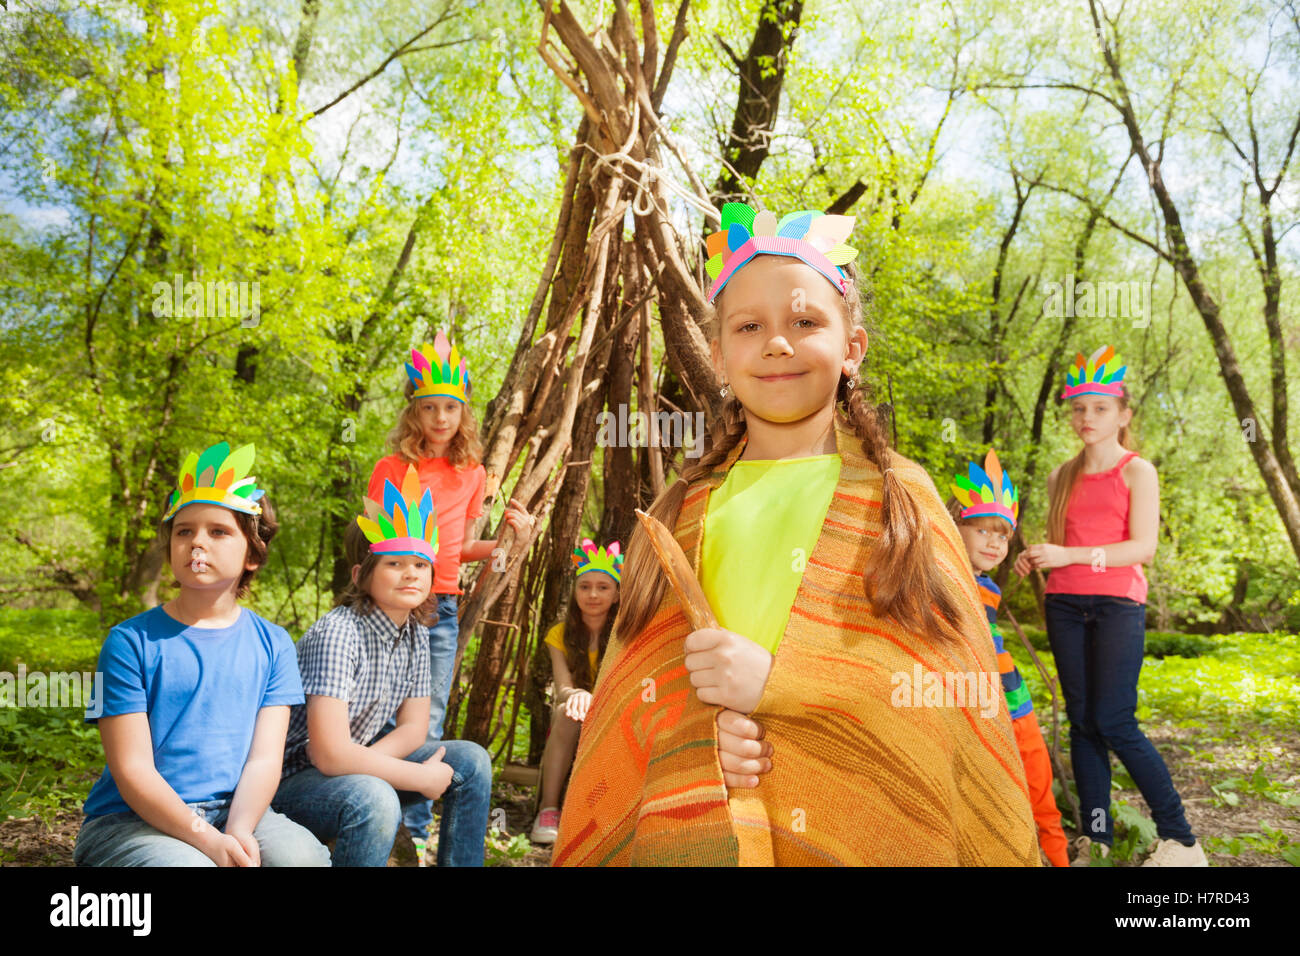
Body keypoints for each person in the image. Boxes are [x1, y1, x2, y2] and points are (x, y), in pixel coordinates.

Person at [552, 203, 1039, 866]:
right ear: (720, 356)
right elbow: (639, 696)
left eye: (805, 321)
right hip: (709, 829)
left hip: (860, 826)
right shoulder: (681, 512)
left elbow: (950, 695)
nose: (777, 342)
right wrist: (694, 743)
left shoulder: (902, 503)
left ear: (852, 349)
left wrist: (783, 683)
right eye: (750, 326)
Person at [74, 441, 329, 867]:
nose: (197, 543)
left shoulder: (274, 643)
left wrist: (240, 830)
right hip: (130, 821)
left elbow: (265, 757)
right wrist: (209, 844)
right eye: (184, 531)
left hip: (237, 812)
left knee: (304, 860)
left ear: (252, 554)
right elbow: (132, 770)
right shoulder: (128, 642)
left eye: (219, 531)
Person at [1015, 346, 1206, 867]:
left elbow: (1142, 547)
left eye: (1099, 407)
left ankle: (1180, 839)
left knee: (1115, 720)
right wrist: (1037, 559)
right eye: (1078, 408)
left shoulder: (1137, 471)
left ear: (1123, 414)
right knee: (1081, 722)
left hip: (1118, 604)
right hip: (1064, 604)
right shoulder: (1060, 477)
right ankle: (1095, 839)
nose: (1087, 418)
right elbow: (1063, 548)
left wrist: (1068, 555)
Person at [272, 465, 492, 866]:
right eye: (394, 564)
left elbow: (414, 728)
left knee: (471, 762)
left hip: (351, 764)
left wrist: (376, 765)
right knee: (372, 796)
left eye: (420, 565)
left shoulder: (416, 633)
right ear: (361, 575)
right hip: (292, 783)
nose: (410, 573)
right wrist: (415, 777)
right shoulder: (339, 633)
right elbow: (328, 754)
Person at [366, 330, 532, 855]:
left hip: (440, 605)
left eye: (451, 408)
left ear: (464, 415)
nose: (441, 418)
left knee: (427, 717)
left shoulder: (472, 473)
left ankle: (412, 833)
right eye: (430, 407)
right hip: (391, 603)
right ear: (414, 413)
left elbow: (457, 548)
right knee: (378, 708)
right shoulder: (392, 469)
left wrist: (510, 539)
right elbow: (375, 542)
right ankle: (376, 810)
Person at [947, 449, 1069, 866]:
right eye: (982, 531)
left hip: (1014, 703)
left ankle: (1056, 858)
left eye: (1002, 535)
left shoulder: (986, 587)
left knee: (1039, 785)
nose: (995, 543)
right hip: (981, 708)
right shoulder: (946, 582)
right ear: (952, 528)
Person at [529, 539, 622, 844]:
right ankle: (549, 810)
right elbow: (562, 689)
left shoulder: (626, 632)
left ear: (617, 593)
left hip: (616, 709)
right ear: (575, 591)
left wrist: (596, 699)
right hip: (576, 710)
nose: (593, 594)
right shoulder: (559, 634)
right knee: (566, 711)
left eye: (603, 587)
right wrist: (579, 697)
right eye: (585, 587)